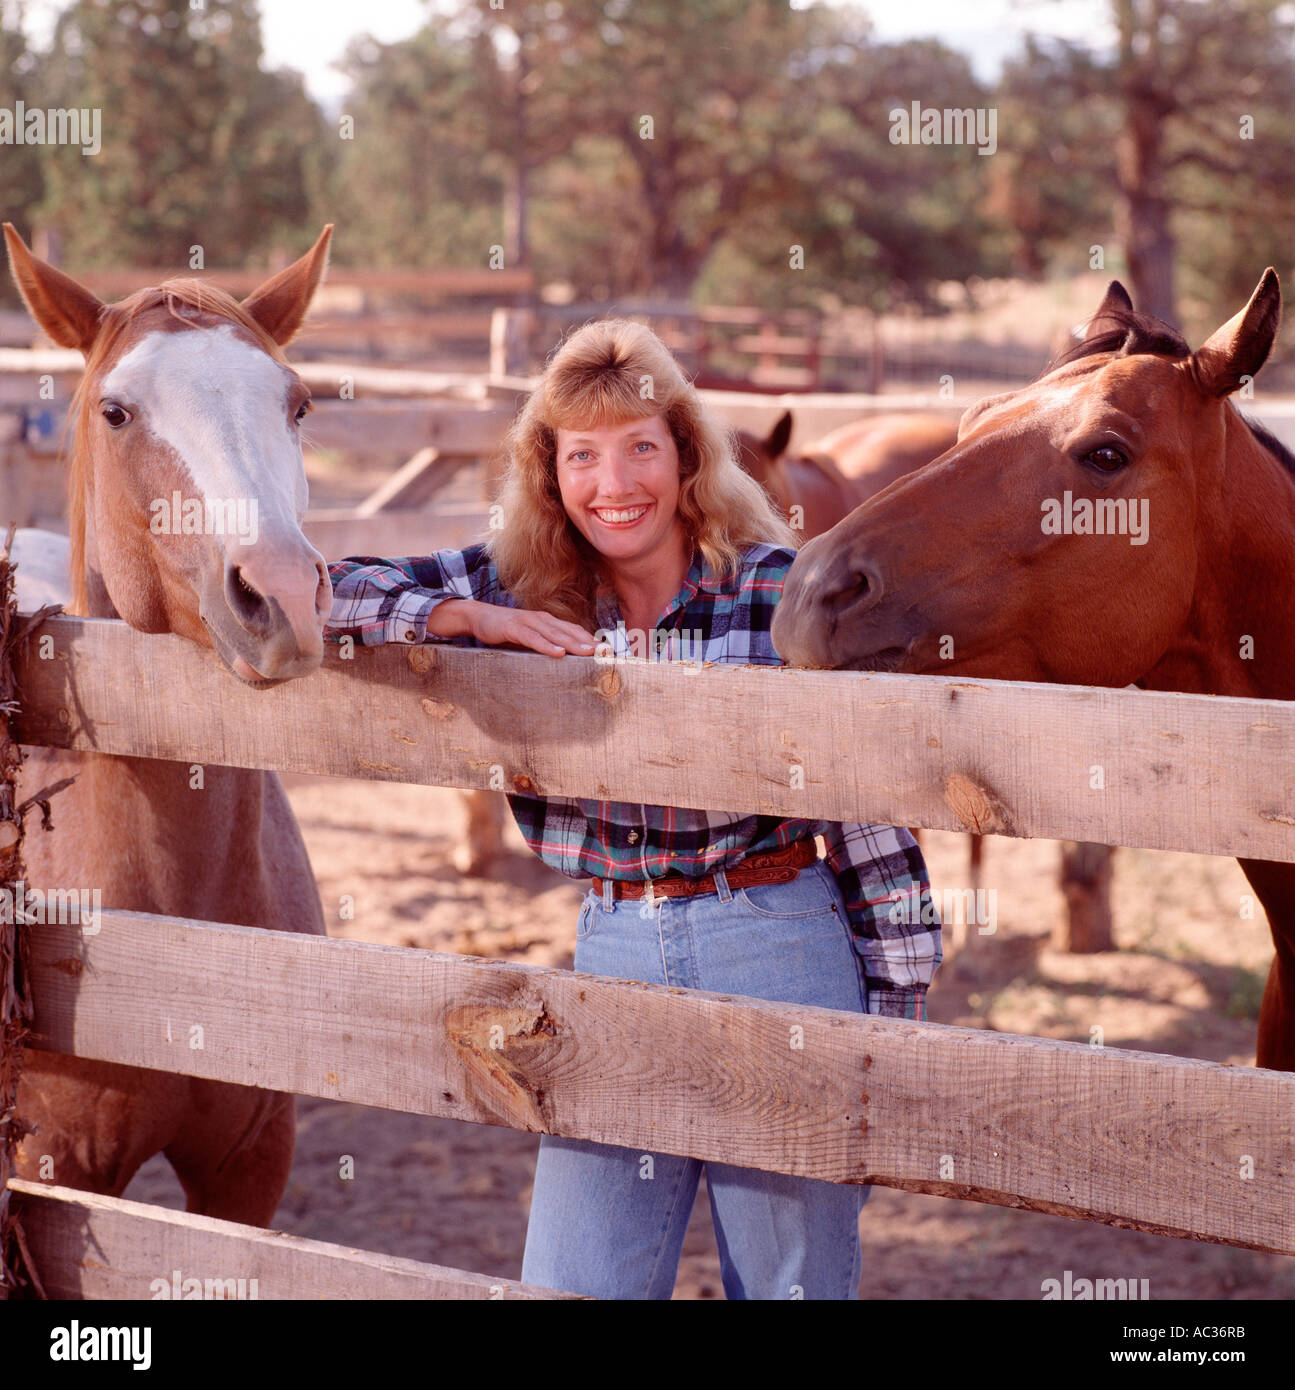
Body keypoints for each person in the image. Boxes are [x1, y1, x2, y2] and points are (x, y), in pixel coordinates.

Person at [324, 319, 942, 1300]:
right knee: (578, 1281)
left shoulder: (776, 591)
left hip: (778, 941)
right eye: (583, 456)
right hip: (610, 945)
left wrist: (895, 1020)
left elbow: (870, 820)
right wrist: (460, 617)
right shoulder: (523, 589)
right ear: (550, 474)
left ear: (689, 457)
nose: (614, 484)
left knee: (788, 1287)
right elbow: (318, 590)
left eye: (640, 447)